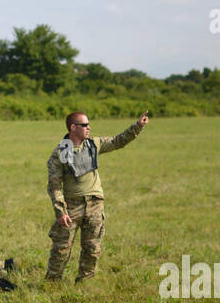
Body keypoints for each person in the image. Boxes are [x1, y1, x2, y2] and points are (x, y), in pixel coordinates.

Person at [45, 111, 149, 282]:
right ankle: (51, 284)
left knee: (92, 249)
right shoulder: (60, 153)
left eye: (88, 124)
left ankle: (85, 284)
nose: (89, 128)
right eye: (84, 125)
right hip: (71, 207)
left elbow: (118, 141)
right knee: (61, 249)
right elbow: (54, 186)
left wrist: (137, 127)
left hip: (94, 205)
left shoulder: (93, 144)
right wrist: (60, 211)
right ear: (73, 127)